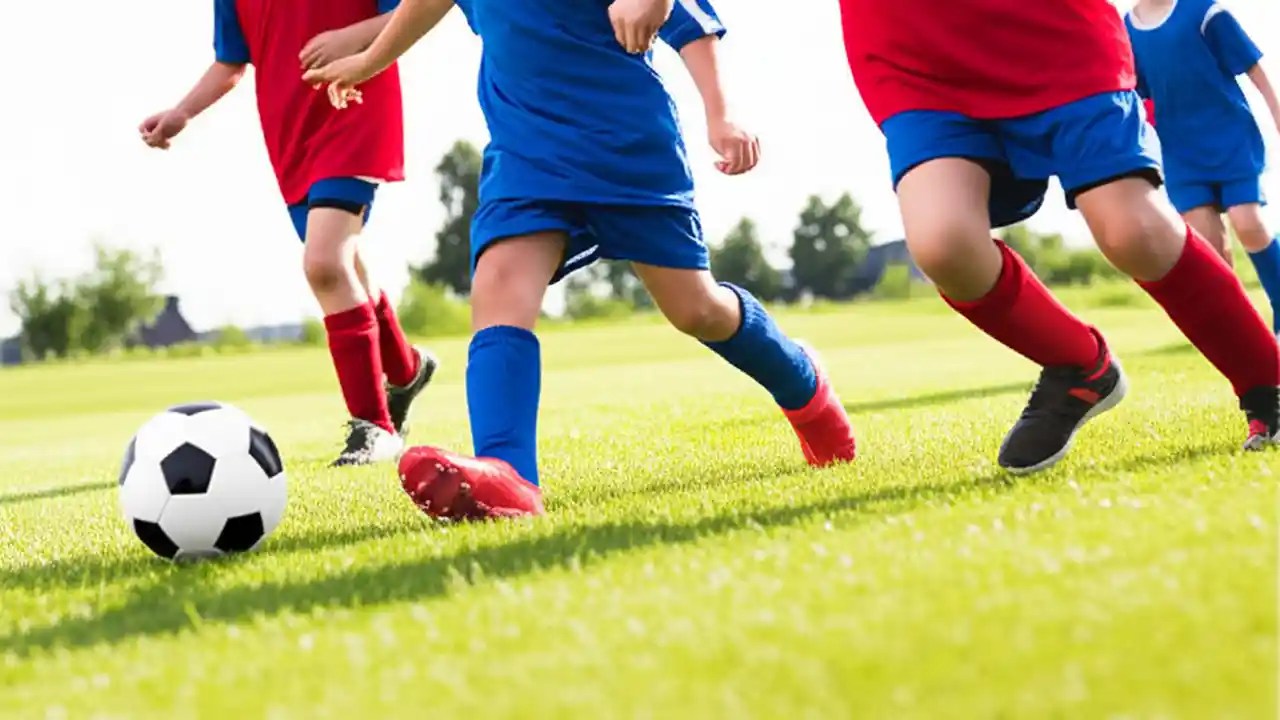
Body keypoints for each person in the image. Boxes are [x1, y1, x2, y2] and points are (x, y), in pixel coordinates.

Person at [305, 0, 857, 520]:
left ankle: (806, 389)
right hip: (525, 151)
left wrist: (722, 116)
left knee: (696, 309)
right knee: (498, 283)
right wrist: (369, 62)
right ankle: (509, 475)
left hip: (625, 145)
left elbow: (689, 17)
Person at [838, 0, 1280, 473]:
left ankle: (1267, 381)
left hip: (1052, 30)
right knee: (943, 243)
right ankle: (1079, 367)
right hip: (916, 57)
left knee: (1134, 230)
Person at [139, 0, 437, 467]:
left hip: (354, 106)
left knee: (325, 263)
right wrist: (182, 113)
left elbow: (415, 11)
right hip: (290, 131)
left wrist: (352, 38)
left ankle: (374, 427)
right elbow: (230, 61)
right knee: (344, 264)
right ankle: (406, 370)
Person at [1127, 0, 1280, 332]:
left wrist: (1277, 116)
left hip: (1231, 138)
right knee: (1210, 247)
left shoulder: (1204, 12)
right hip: (1179, 153)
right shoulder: (1127, 29)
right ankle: (1245, 332)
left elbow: (1254, 68)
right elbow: (1138, 95)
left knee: (1248, 222)